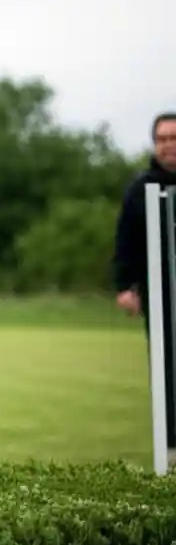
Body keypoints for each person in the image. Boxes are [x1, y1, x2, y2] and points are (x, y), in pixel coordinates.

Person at [113, 110, 176, 459]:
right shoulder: (141, 190)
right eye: (162, 139)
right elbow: (126, 242)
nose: (168, 145)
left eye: (174, 138)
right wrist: (125, 286)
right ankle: (170, 451)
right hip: (161, 298)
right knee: (167, 373)